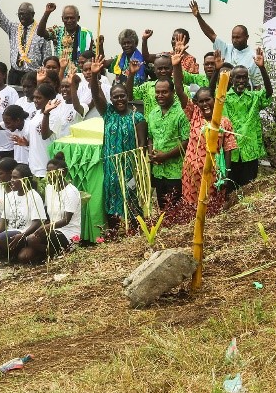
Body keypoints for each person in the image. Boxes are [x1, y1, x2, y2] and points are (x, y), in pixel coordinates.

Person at [90, 75, 148, 233]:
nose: (119, 99)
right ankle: (114, 235)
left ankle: (136, 233)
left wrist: (138, 171)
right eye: (115, 97)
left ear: (128, 96)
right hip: (111, 170)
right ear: (111, 99)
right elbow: (96, 94)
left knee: (132, 202)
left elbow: (142, 145)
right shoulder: (108, 114)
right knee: (112, 202)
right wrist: (94, 77)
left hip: (130, 169)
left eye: (122, 96)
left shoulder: (137, 117)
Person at [174, 79, 237, 216]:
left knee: (210, 208)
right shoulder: (194, 115)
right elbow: (179, 90)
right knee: (191, 210)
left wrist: (226, 175)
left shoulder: (224, 122)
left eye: (207, 100)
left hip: (213, 174)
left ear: (214, 100)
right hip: (191, 173)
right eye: (201, 101)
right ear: (197, 104)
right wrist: (177, 65)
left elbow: (228, 149)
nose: (204, 104)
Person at [224, 51, 274, 191]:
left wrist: (262, 68)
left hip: (249, 152)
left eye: (244, 78)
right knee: (229, 189)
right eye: (238, 77)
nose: (241, 81)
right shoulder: (224, 98)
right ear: (231, 79)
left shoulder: (254, 98)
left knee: (248, 189)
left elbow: (268, 93)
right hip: (231, 153)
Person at [144, 79, 189, 212]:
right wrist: (152, 153)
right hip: (158, 172)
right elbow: (150, 137)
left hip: (176, 173)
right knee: (163, 210)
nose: (160, 95)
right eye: (157, 92)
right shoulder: (153, 114)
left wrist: (166, 156)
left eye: (164, 92)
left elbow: (187, 141)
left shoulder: (182, 113)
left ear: (173, 93)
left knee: (176, 211)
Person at [0, 163, 47, 265]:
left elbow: (38, 222)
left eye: (15, 177)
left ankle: (31, 251)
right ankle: (13, 253)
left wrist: (22, 235)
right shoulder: (10, 196)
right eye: (11, 177)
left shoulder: (34, 196)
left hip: (26, 234)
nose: (11, 180)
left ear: (24, 179)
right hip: (11, 233)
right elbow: (4, 219)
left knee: (24, 257)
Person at [0, 0, 48, 82]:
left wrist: (44, 76)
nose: (21, 17)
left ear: (32, 14)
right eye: (19, 14)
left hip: (33, 75)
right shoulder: (13, 28)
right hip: (14, 73)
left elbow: (47, 56)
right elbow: (0, 19)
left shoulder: (41, 31)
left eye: (24, 14)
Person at [189, 0, 260, 75]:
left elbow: (257, 84)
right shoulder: (226, 49)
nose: (235, 40)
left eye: (238, 37)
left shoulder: (254, 57)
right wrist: (198, 17)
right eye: (233, 37)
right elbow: (211, 35)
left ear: (247, 37)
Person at [37, 4, 94, 75]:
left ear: (78, 18)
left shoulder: (86, 35)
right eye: (66, 18)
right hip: (59, 75)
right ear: (62, 19)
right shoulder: (57, 31)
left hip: (79, 76)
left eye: (72, 18)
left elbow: (93, 56)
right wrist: (47, 13)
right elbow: (40, 32)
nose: (69, 21)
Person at [42, 158, 83, 257]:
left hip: (68, 232)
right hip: (52, 229)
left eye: (52, 172)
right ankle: (55, 253)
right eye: (48, 172)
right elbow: (48, 213)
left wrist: (46, 228)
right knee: (29, 245)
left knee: (36, 238)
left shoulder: (71, 192)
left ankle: (62, 252)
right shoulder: (49, 188)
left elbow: (66, 220)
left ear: (63, 173)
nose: (49, 176)